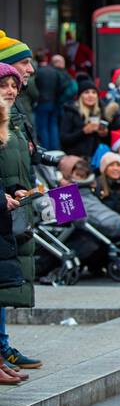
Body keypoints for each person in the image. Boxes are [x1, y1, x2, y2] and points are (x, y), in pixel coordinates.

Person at [0, 52, 41, 371]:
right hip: (4, 208)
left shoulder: (15, 117)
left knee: (6, 282)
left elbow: (22, 161)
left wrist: (16, 189)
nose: (13, 89)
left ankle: (2, 349)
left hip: (12, 210)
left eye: (15, 84)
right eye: (6, 84)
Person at [60, 82, 108, 160]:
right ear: (80, 96)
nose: (90, 95)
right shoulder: (71, 112)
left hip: (96, 159)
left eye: (94, 92)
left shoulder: (100, 112)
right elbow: (64, 139)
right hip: (76, 159)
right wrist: (83, 132)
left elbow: (107, 142)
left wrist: (104, 134)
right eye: (86, 92)